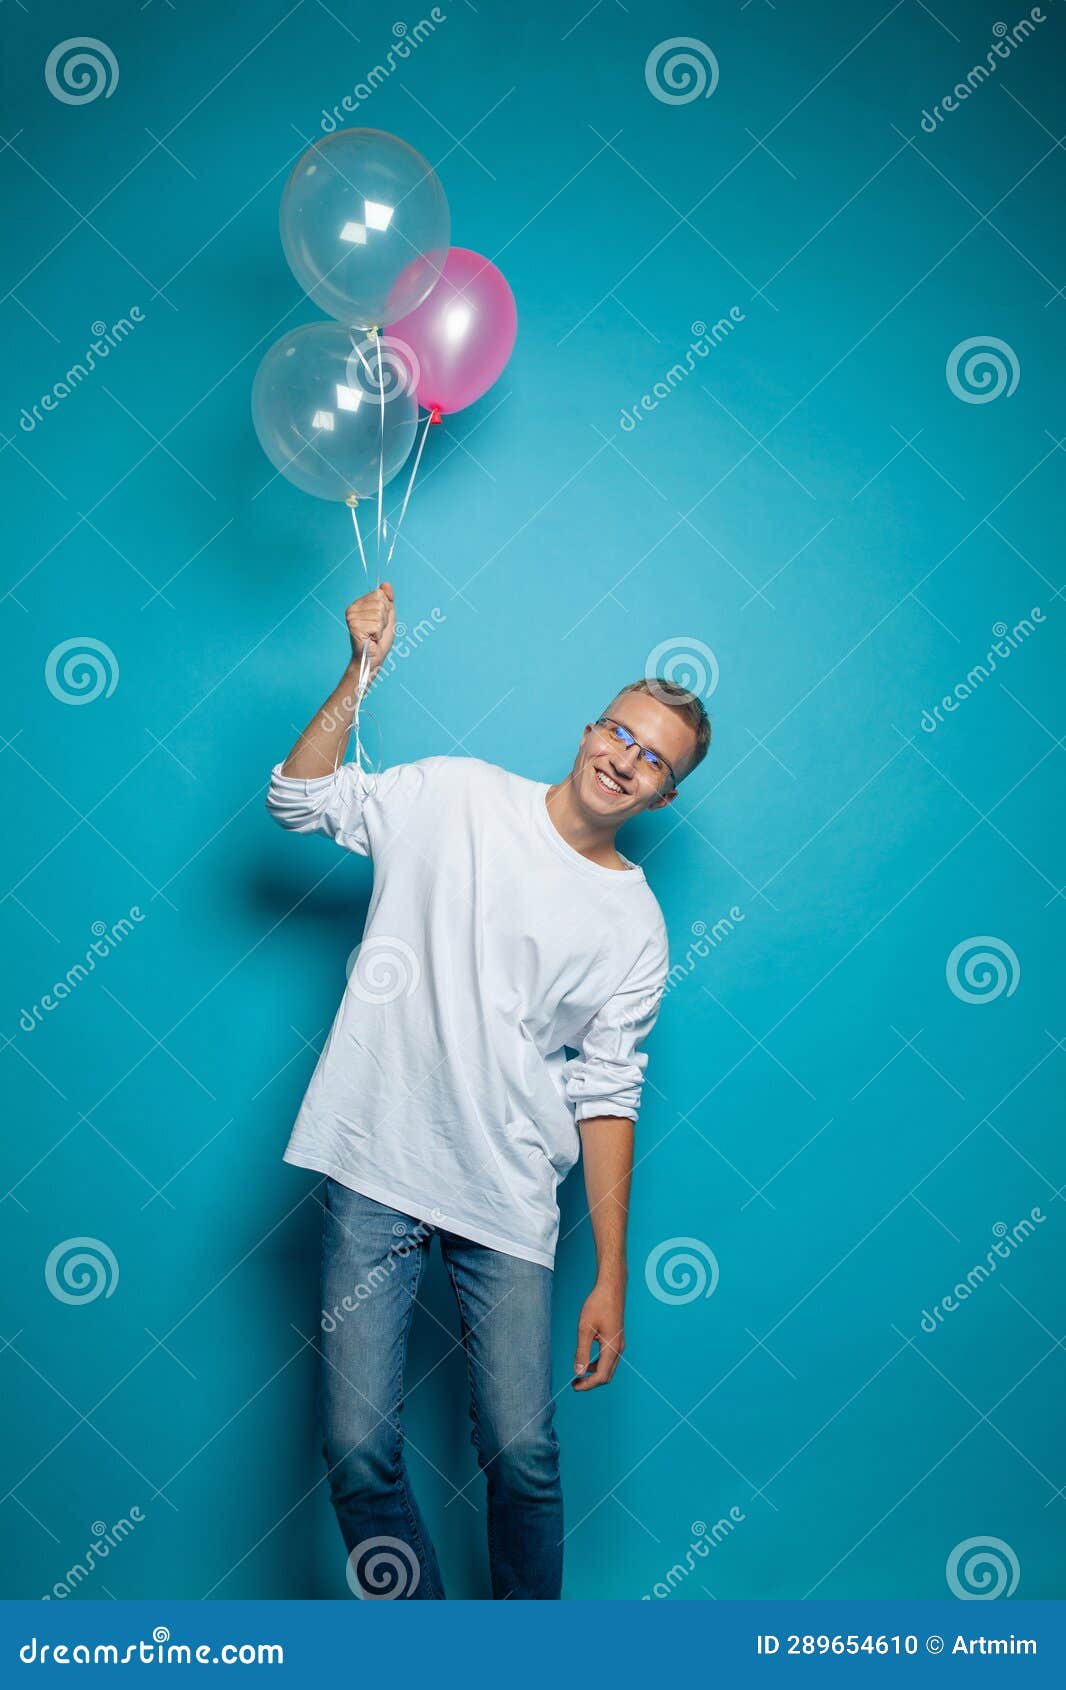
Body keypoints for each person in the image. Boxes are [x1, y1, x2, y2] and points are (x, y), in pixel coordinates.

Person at [265, 581, 710, 1599]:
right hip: (374, 1163)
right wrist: (360, 672)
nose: (624, 759)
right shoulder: (454, 796)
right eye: (619, 733)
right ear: (589, 729)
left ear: (663, 796)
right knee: (356, 1450)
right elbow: (297, 798)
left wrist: (611, 1272)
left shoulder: (636, 926)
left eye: (653, 760)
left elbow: (608, 1092)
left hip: (505, 1192)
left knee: (522, 1454)